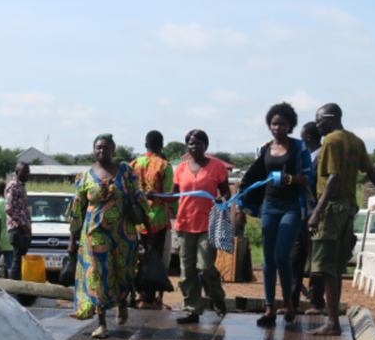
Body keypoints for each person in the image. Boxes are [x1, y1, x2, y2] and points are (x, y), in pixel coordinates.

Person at [308, 103, 375, 336]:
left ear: (332, 118)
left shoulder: (331, 141)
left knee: (326, 268)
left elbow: (334, 177)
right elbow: (371, 171)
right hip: (349, 209)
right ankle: (333, 321)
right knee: (337, 267)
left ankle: (332, 323)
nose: (317, 125)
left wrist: (317, 211)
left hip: (331, 208)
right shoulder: (356, 141)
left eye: (319, 120)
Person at [237, 103, 316, 327]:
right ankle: (270, 308)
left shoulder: (299, 148)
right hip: (269, 206)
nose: (277, 128)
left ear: (290, 125)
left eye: (281, 124)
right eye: (273, 123)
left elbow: (308, 178)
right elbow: (253, 176)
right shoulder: (263, 148)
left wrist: (290, 179)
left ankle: (289, 303)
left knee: (282, 255)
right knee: (267, 260)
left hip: (292, 206)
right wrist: (241, 204)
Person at [66, 134, 148, 338]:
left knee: (123, 272)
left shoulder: (125, 172)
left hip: (124, 234)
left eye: (105, 148)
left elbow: (138, 197)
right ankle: (102, 323)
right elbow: (78, 210)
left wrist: (149, 229)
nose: (101, 151)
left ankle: (122, 303)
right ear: (93, 150)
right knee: (98, 275)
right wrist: (72, 239)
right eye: (98, 148)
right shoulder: (85, 177)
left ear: (113, 150)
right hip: (95, 235)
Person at [163, 129, 230, 324]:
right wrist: (156, 195)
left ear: (205, 146)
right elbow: (173, 195)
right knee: (187, 270)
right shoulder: (181, 168)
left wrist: (222, 198)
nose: (194, 147)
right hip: (185, 225)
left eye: (198, 143)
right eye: (191, 143)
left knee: (205, 266)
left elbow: (225, 191)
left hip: (208, 224)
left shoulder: (216, 166)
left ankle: (216, 297)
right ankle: (192, 310)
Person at [129, 130, 177, 309]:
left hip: (137, 219)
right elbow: (169, 195)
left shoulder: (133, 164)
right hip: (157, 220)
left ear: (145, 145)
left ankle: (137, 294)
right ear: (162, 145)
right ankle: (148, 299)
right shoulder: (164, 165)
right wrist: (176, 212)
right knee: (153, 258)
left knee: (137, 257)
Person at [291, 122, 326, 315]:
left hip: (314, 216)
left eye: (302, 136)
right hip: (299, 215)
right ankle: (292, 302)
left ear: (308, 138)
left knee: (315, 261)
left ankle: (316, 304)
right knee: (294, 259)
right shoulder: (305, 158)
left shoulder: (322, 157)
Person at [6, 162, 32, 280]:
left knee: (21, 259)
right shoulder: (13, 185)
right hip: (17, 228)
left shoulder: (21, 186)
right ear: (17, 172)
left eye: (28, 171)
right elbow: (9, 208)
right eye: (24, 171)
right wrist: (23, 225)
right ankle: (13, 289)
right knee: (17, 259)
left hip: (24, 229)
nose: (27, 174)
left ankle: (19, 288)